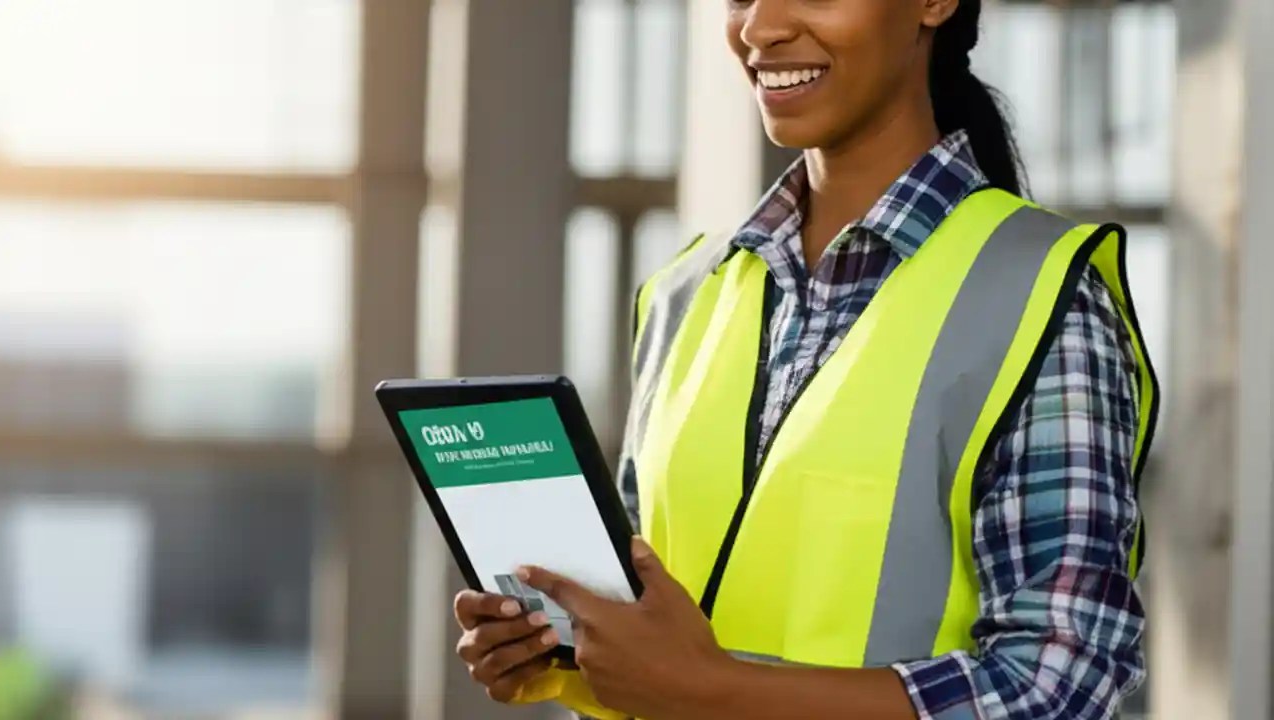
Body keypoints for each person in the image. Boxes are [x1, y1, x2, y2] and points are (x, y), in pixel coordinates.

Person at [453, 0, 1159, 718]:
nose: (759, 29)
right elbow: (653, 632)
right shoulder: (685, 295)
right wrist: (567, 650)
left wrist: (715, 692)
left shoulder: (1041, 298)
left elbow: (1058, 688)